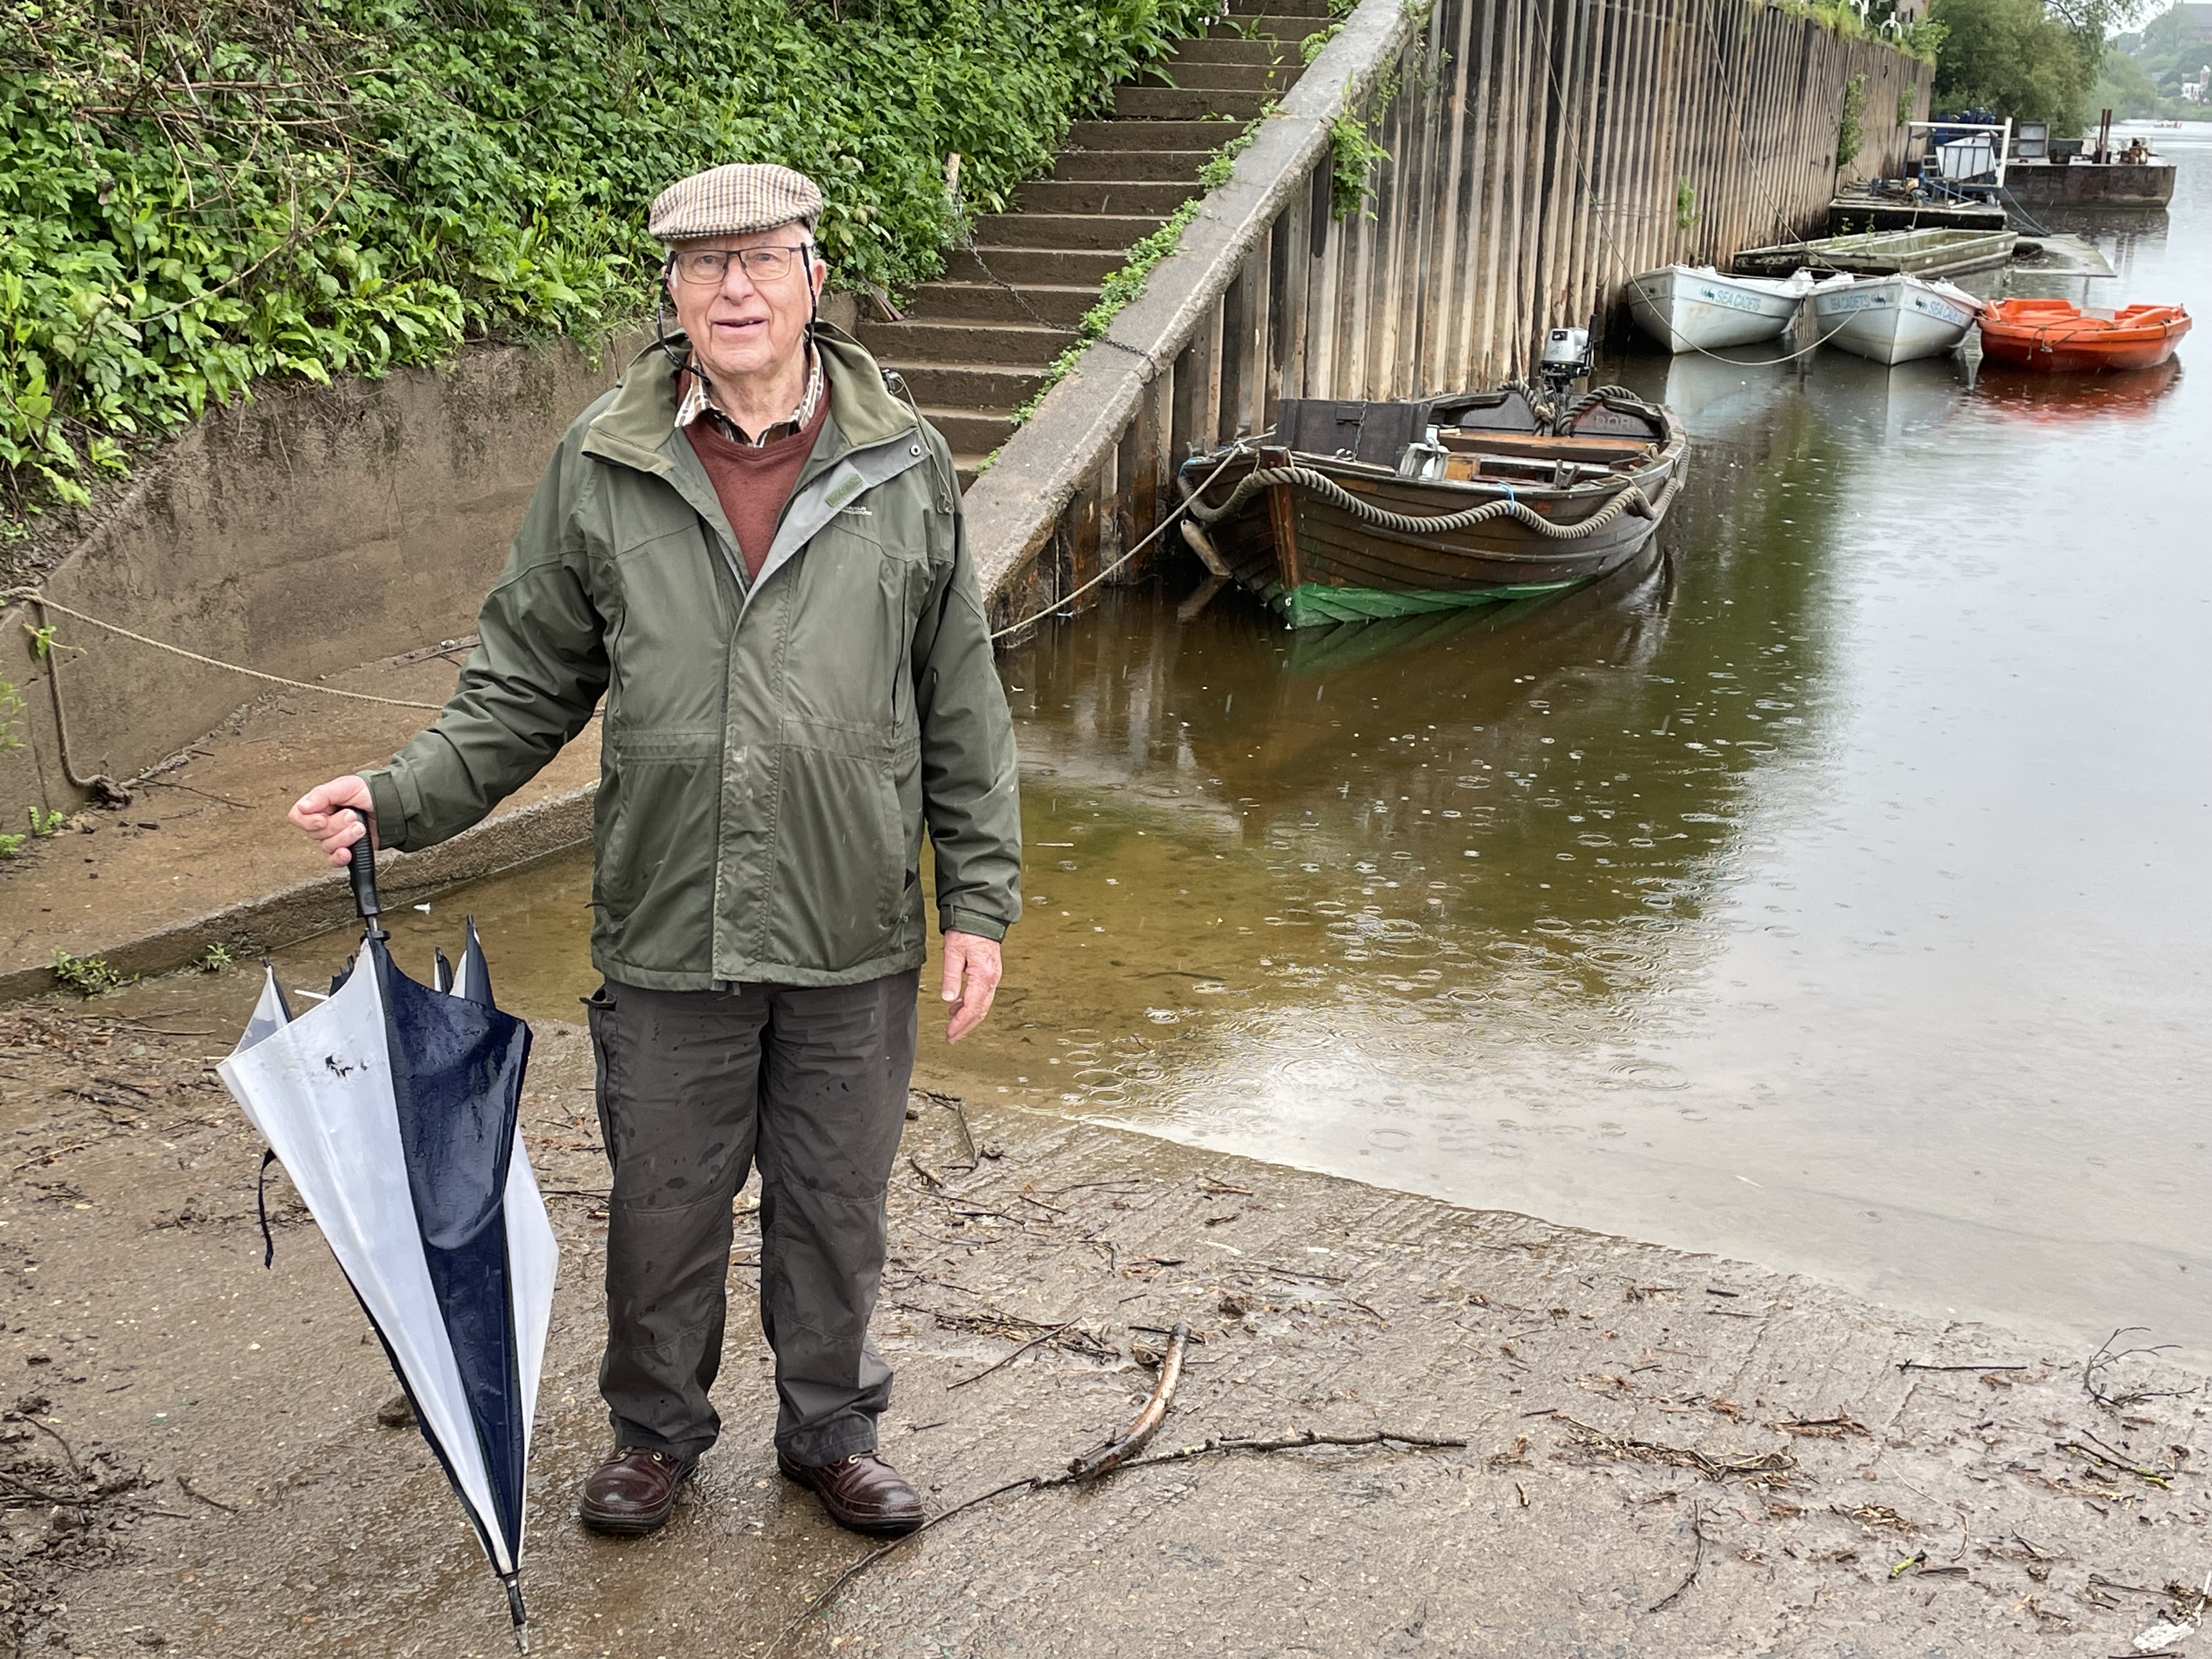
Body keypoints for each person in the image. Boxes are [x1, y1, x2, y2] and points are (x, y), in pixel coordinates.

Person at [289, 162, 1021, 1540]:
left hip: (851, 920)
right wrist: (399, 797)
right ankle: (656, 1437)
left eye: (761, 259)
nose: (734, 288)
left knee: (835, 1202)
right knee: (664, 1206)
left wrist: (977, 902)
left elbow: (960, 703)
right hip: (670, 919)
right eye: (703, 266)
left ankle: (832, 1432)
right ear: (672, 293)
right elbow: (522, 685)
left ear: (814, 276)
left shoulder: (904, 460)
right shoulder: (604, 461)